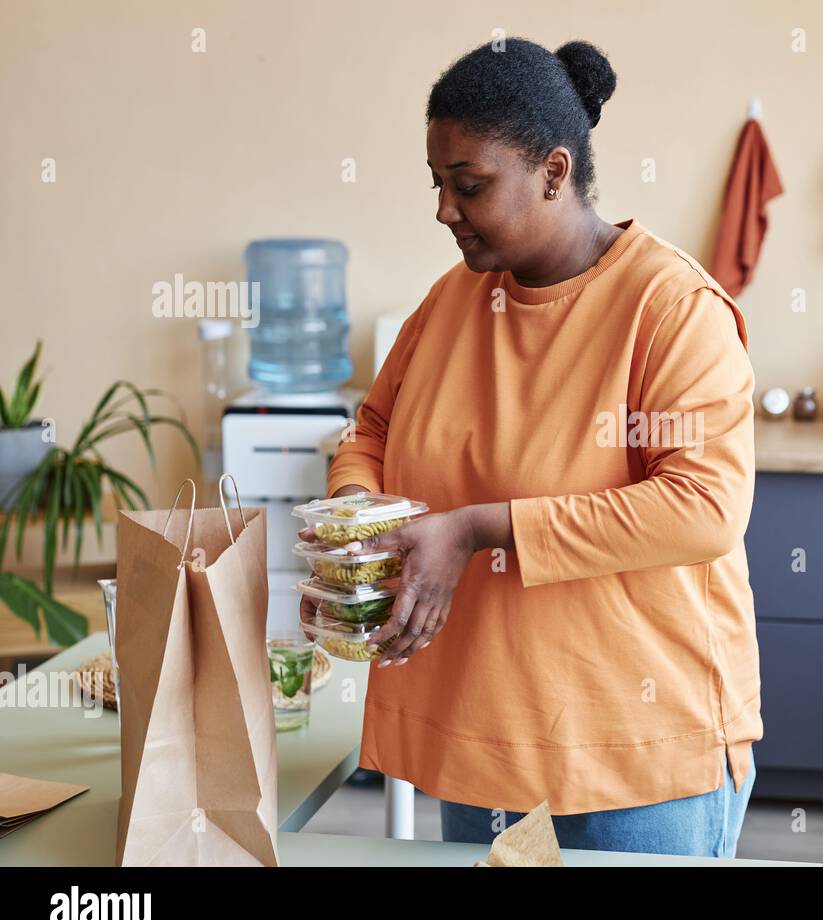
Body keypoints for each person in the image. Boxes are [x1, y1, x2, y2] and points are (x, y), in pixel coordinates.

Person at [300, 37, 761, 858]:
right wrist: (358, 518)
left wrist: (479, 528)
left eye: (468, 185)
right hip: (481, 736)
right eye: (438, 184)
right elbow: (368, 430)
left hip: (637, 752)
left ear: (553, 171)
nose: (444, 208)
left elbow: (704, 509)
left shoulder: (670, 308)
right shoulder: (451, 303)